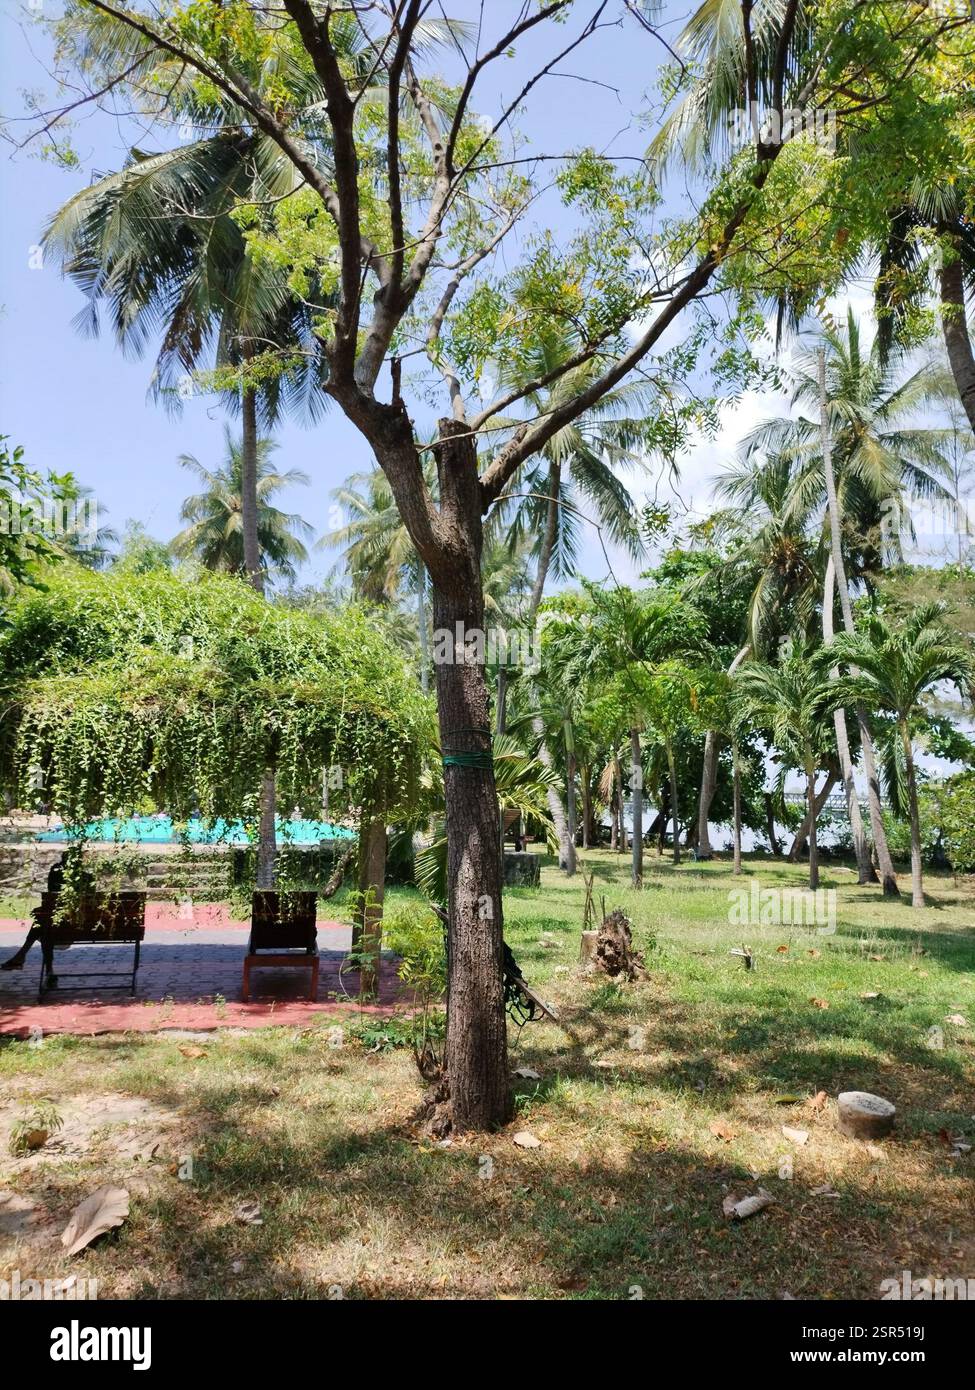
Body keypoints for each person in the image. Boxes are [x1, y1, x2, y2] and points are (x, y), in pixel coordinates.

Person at [0, 858, 94, 971]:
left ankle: (44, 968)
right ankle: (21, 957)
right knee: (43, 923)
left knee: (43, 926)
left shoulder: (57, 884)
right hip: (87, 929)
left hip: (61, 930)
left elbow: (51, 892)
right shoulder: (88, 879)